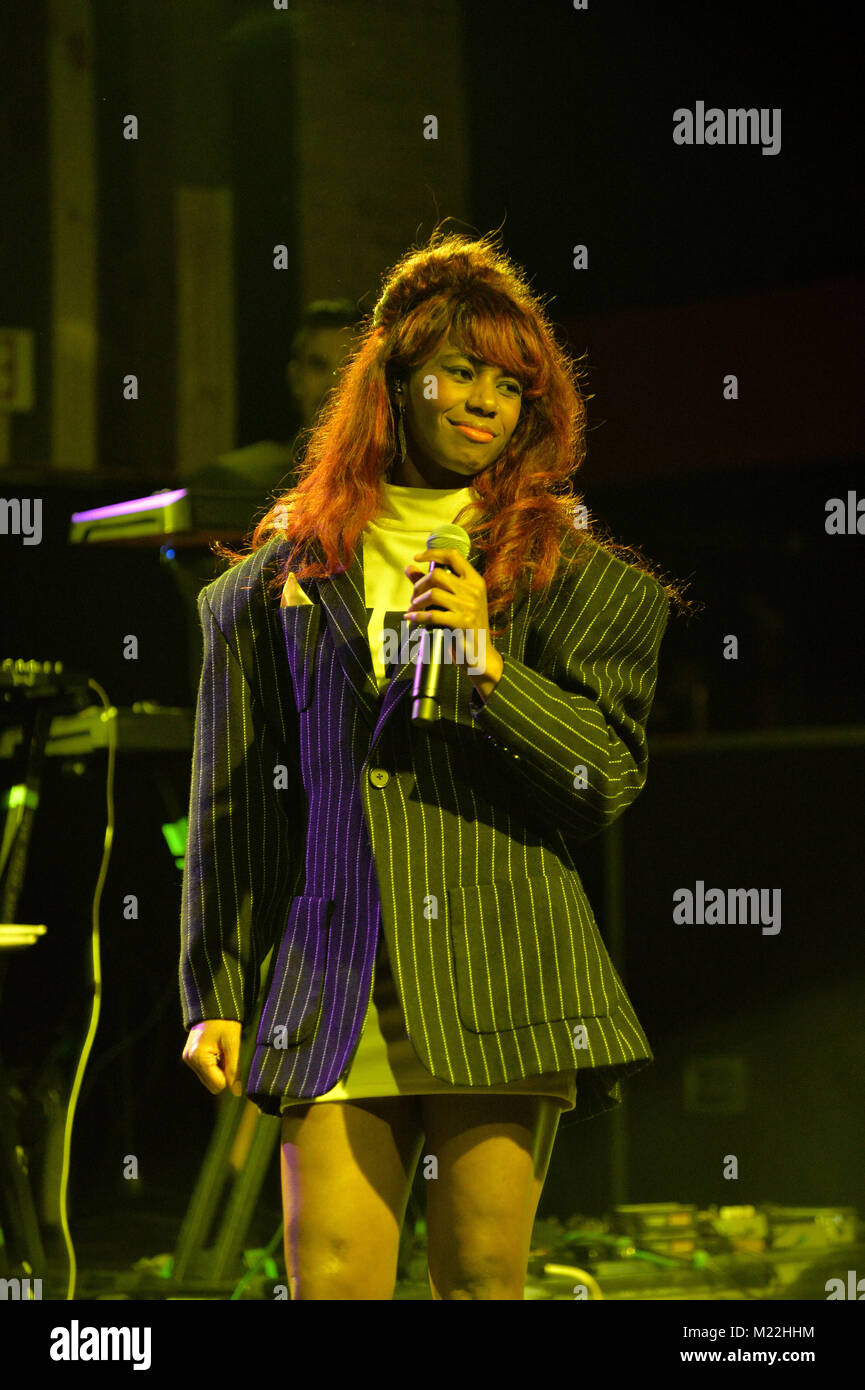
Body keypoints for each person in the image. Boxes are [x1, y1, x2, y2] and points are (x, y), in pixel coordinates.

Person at [179, 228, 681, 1300]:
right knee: (334, 1279)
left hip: (500, 957)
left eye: (509, 384)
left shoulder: (567, 574)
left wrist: (494, 673)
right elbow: (234, 807)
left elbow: (603, 781)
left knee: (482, 1274)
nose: (482, 402)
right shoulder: (273, 586)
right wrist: (214, 990)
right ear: (395, 383)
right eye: (457, 372)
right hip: (332, 968)